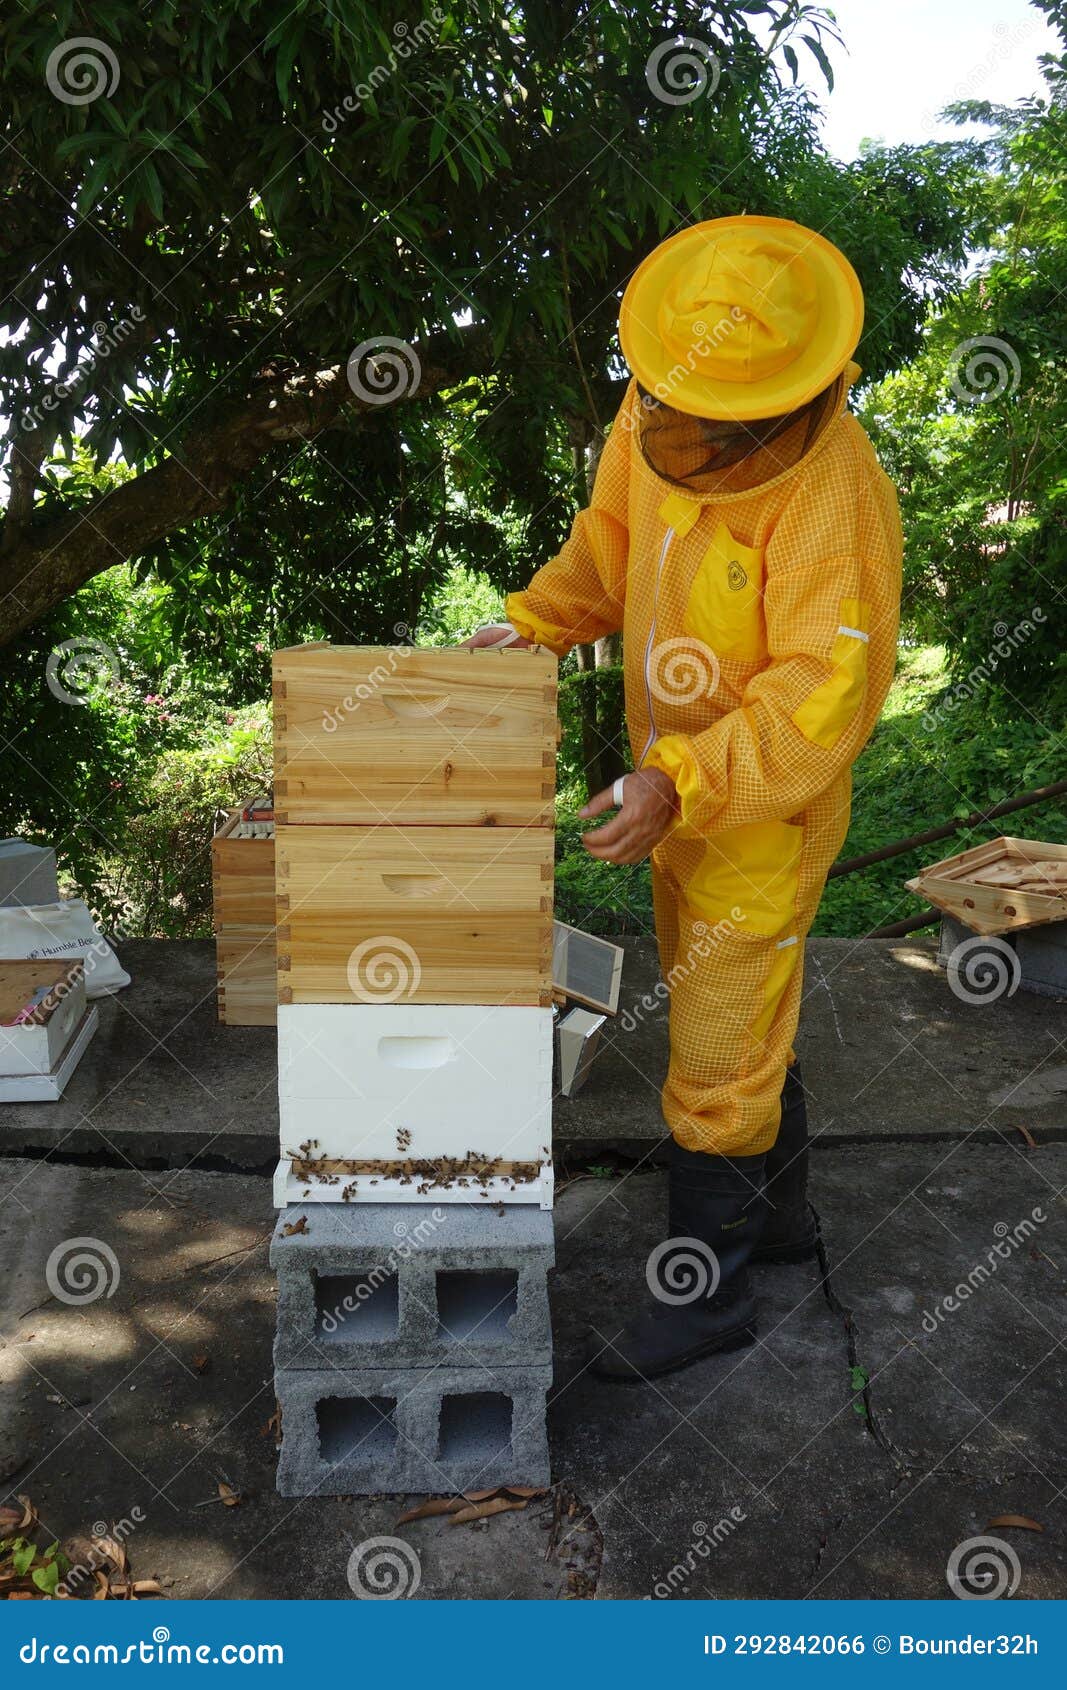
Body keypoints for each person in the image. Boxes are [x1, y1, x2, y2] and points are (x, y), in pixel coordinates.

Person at [466, 215, 902, 1381]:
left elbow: (820, 691)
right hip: (676, 781)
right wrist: (535, 626)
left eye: (718, 430)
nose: (682, 440)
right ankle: (782, 1224)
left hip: (763, 799)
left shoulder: (831, 493)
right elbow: (607, 543)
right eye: (672, 411)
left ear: (780, 405)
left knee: (714, 1040)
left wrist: (684, 780)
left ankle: (702, 1299)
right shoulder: (654, 406)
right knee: (743, 1008)